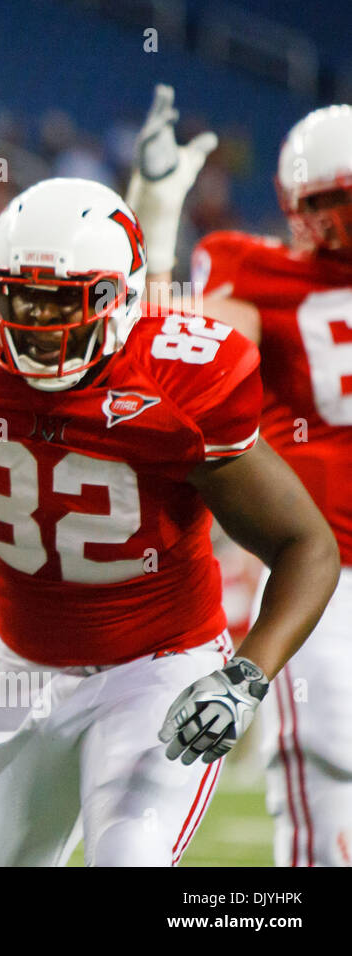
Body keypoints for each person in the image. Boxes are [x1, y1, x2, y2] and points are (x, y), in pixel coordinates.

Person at [0, 175, 339, 866]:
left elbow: (306, 543)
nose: (38, 325)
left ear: (119, 297)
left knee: (129, 854)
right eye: (20, 297)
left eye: (61, 301)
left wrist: (244, 677)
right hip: (20, 662)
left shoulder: (179, 375)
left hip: (158, 668)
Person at [192, 104, 352, 866]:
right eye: (334, 200)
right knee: (327, 755)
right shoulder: (250, 266)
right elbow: (200, 358)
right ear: (298, 206)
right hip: (328, 565)